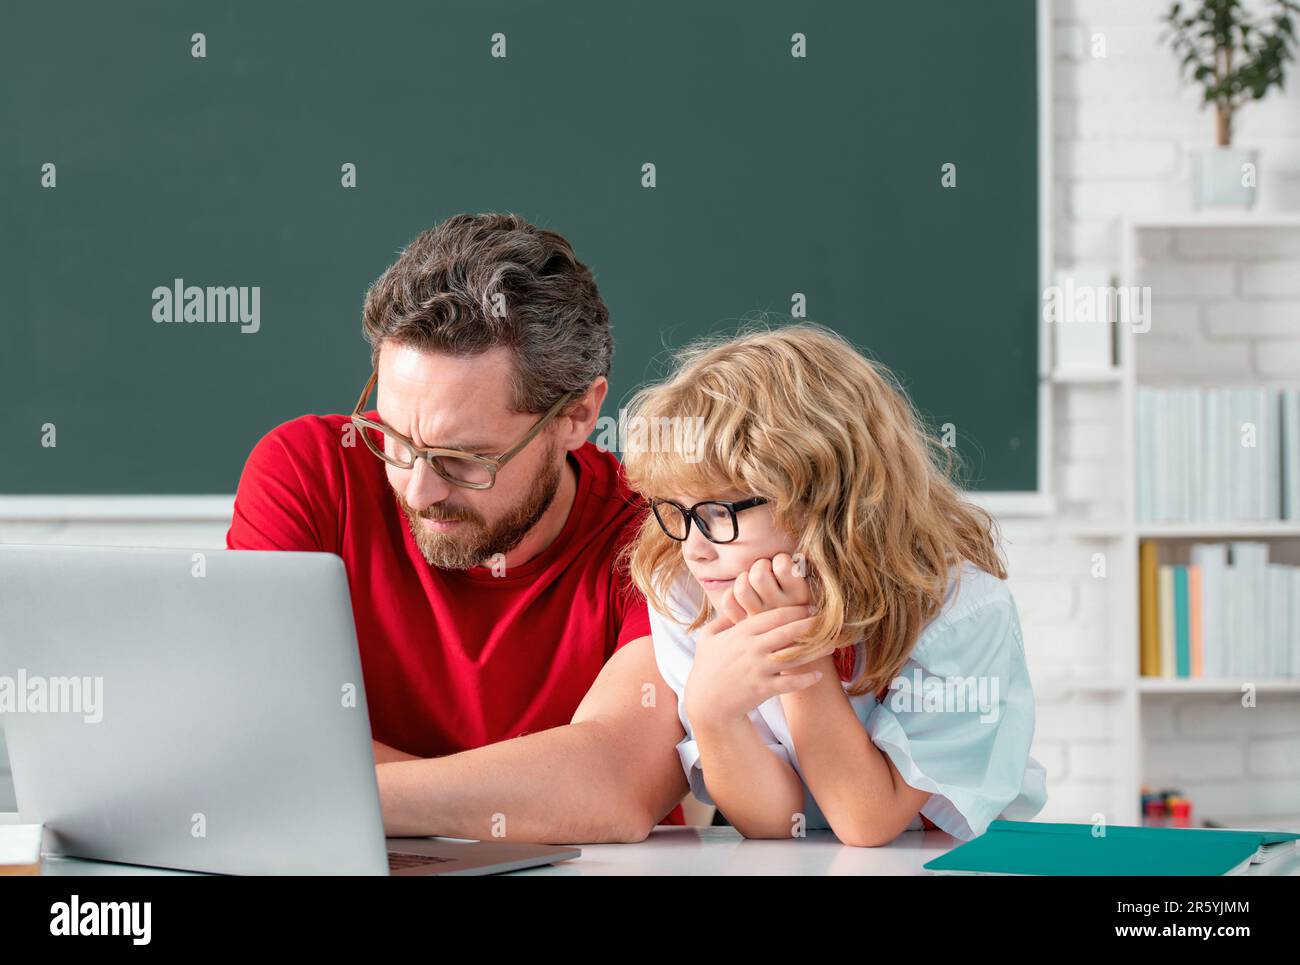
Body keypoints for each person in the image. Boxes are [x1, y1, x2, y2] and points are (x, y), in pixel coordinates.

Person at [227, 213, 689, 842]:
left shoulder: (664, 530)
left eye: (464, 459)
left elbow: (614, 785)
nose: (418, 490)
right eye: (390, 437)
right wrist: (524, 798)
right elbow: (256, 735)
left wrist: (304, 790)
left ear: (578, 415)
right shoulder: (307, 471)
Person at [618, 323, 1048, 845]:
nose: (694, 546)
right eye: (679, 511)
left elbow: (869, 820)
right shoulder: (691, 589)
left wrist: (799, 653)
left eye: (717, 511)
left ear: (826, 502)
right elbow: (774, 824)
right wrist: (712, 714)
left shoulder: (962, 610)